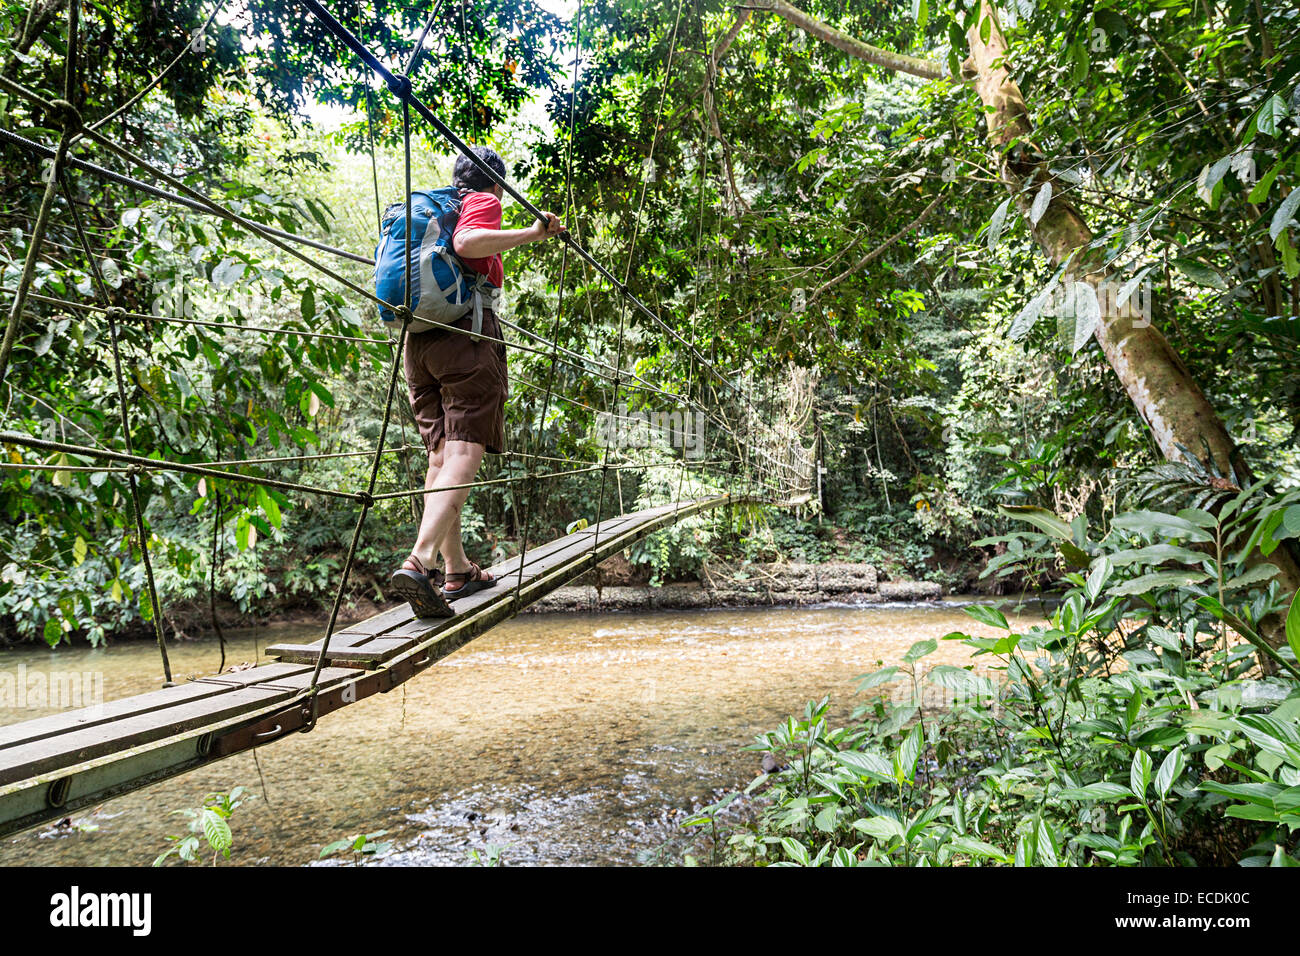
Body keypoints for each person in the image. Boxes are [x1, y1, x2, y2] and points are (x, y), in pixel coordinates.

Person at [389, 145, 565, 618]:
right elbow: (468, 244)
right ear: (496, 183)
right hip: (464, 338)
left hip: (418, 344)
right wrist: (533, 232)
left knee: (441, 457)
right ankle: (420, 560)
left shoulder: (433, 209)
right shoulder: (482, 200)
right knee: (465, 453)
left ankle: (457, 569)